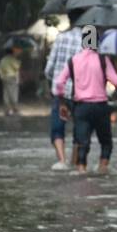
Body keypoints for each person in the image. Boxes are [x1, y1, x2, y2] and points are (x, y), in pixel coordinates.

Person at [53, 43, 117, 175]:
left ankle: (81, 169)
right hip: (101, 107)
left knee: (82, 141)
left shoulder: (73, 60)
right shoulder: (103, 60)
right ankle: (102, 167)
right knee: (106, 142)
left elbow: (59, 82)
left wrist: (62, 102)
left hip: (81, 107)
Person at [43, 20, 82, 170]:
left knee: (57, 128)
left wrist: (54, 79)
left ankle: (62, 161)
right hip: (81, 93)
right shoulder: (90, 37)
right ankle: (75, 161)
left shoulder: (61, 37)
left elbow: (49, 69)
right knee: (80, 128)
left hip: (60, 93)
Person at [0, 41, 23, 116]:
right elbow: (17, 67)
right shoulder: (12, 59)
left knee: (6, 93)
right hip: (12, 77)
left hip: (4, 77)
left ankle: (7, 109)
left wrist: (2, 76)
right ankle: (15, 108)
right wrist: (18, 61)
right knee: (13, 93)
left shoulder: (2, 60)